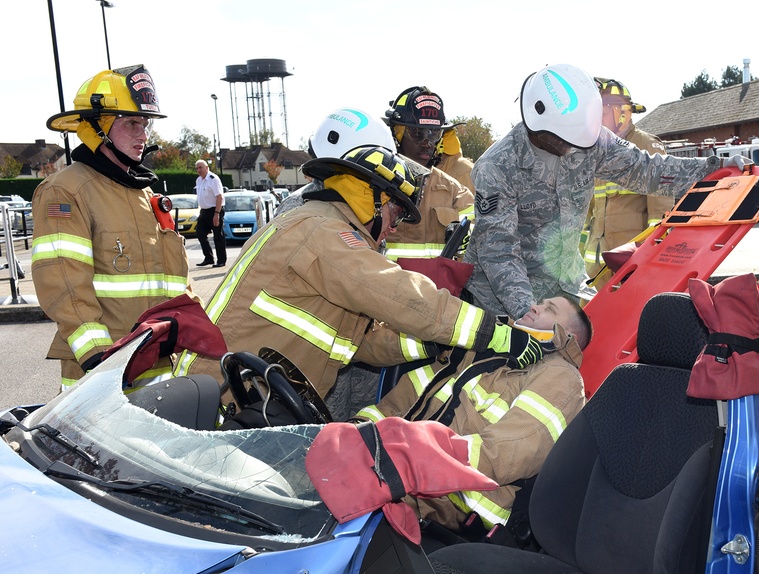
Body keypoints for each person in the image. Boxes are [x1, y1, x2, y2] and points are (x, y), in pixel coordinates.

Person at [175, 107, 544, 399]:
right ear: (372, 197)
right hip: (223, 398)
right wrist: (494, 334)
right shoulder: (324, 231)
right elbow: (400, 294)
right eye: (396, 211)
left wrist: (433, 341)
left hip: (251, 396)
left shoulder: (326, 227)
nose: (396, 226)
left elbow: (362, 342)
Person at [462, 63, 745, 320]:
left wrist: (715, 168)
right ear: (538, 127)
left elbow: (646, 169)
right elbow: (499, 252)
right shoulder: (497, 166)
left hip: (566, 286)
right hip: (504, 300)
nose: (572, 150)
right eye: (563, 142)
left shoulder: (592, 139)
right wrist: (527, 314)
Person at [355, 295, 591, 531]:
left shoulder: (562, 378)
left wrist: (412, 459)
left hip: (453, 504)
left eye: (548, 309)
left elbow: (507, 453)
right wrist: (359, 430)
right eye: (540, 302)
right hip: (396, 468)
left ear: (569, 335)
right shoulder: (493, 345)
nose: (534, 306)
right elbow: (403, 402)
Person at [31, 64, 197, 391]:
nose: (144, 134)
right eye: (132, 122)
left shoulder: (146, 195)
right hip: (100, 375)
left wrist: (192, 330)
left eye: (145, 123)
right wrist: (99, 358)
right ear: (97, 128)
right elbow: (62, 281)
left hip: (158, 366)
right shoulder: (66, 191)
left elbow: (176, 279)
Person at [583, 77, 675, 289]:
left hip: (631, 262)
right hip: (597, 264)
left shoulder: (645, 145)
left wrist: (650, 254)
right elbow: (589, 206)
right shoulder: (599, 150)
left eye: (602, 113)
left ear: (620, 112)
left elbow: (660, 211)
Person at [383, 86, 474, 261]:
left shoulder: (453, 190)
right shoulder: (374, 182)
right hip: (383, 285)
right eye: (417, 133)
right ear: (397, 134)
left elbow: (480, 227)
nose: (427, 143)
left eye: (434, 133)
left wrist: (465, 233)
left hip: (436, 287)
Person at [194, 159, 226, 267]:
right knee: (200, 233)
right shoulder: (198, 180)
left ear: (207, 168)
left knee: (218, 236)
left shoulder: (213, 179)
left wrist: (216, 214)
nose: (199, 170)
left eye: (200, 167)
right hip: (204, 211)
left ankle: (221, 260)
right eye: (197, 168)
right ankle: (209, 258)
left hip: (215, 210)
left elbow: (219, 197)